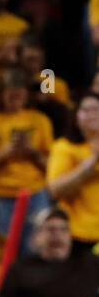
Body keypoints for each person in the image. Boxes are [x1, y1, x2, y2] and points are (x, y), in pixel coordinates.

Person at [0, 68, 54, 236]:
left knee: (37, 248)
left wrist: (32, 153)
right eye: (10, 95)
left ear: (26, 94)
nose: (15, 100)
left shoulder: (40, 120)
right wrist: (2, 155)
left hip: (36, 193)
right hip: (0, 196)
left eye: (19, 95)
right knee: (5, 250)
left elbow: (52, 168)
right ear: (1, 94)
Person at [46, 91, 99, 245]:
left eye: (96, 109)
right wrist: (88, 166)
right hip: (78, 232)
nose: (92, 114)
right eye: (86, 110)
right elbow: (55, 190)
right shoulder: (64, 147)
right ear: (75, 117)